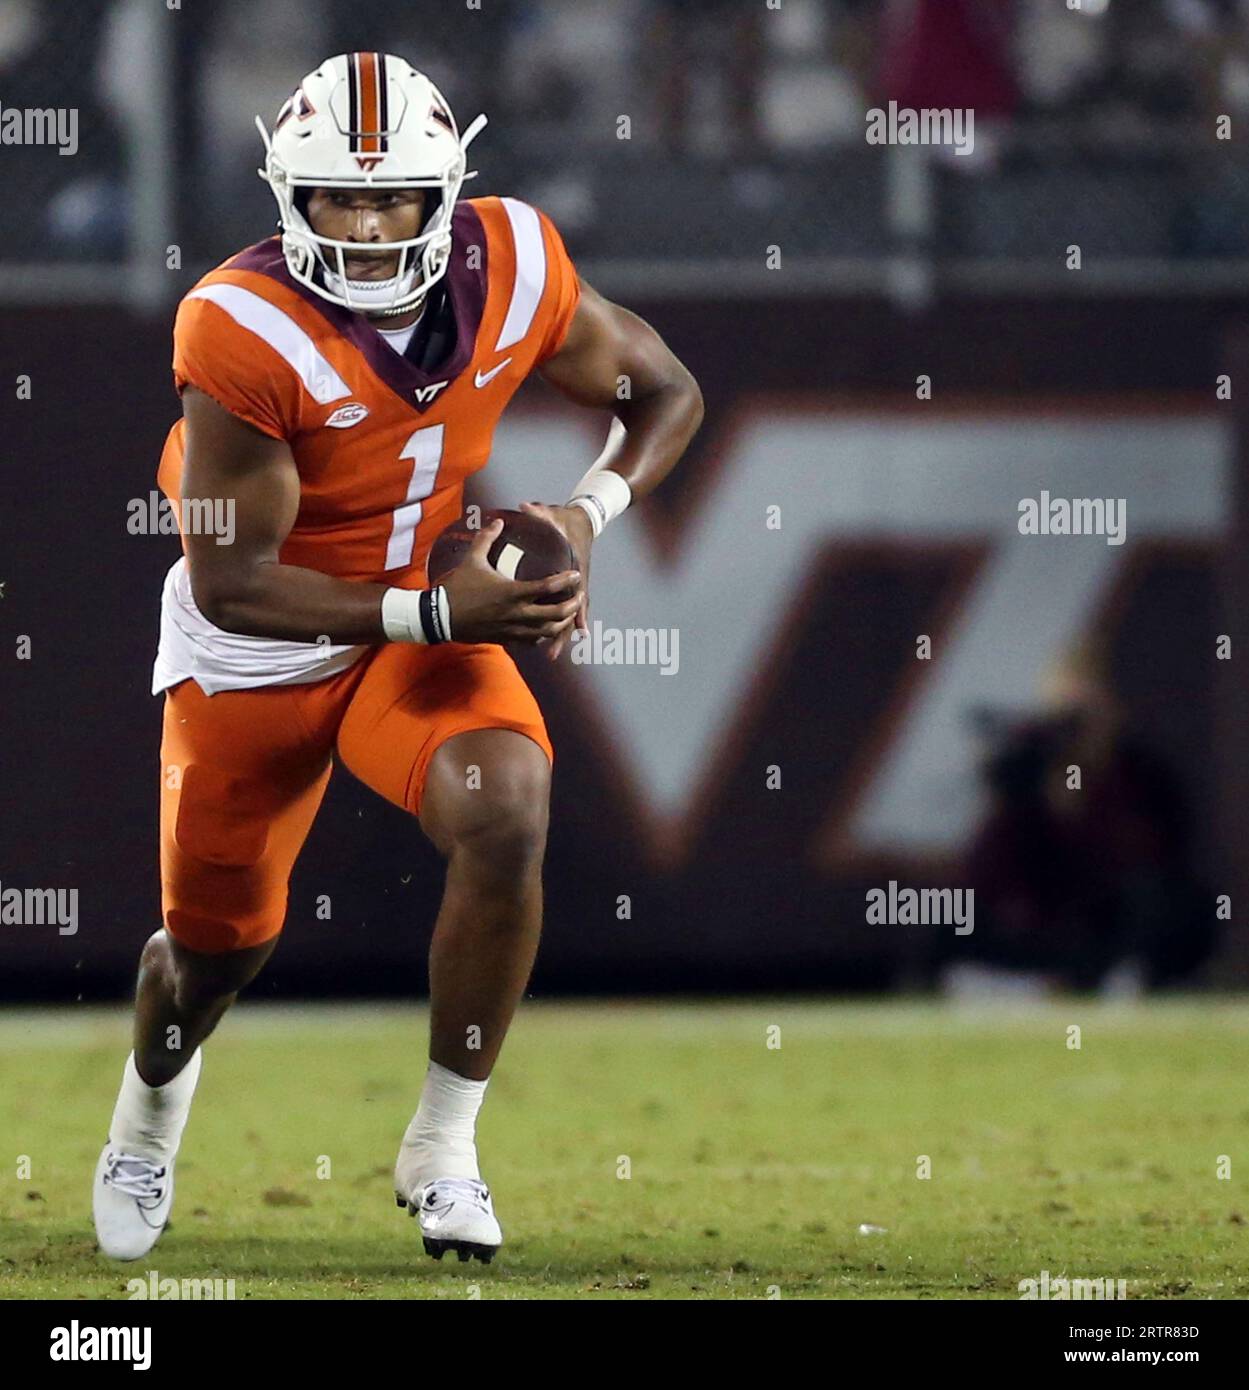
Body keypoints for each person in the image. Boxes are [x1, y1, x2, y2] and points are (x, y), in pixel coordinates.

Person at [92, 52, 703, 1266]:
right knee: (212, 959)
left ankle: (443, 1142)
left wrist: (581, 518)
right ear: (288, 196)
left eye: (393, 201)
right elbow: (234, 579)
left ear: (446, 193)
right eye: (335, 200)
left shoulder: (515, 261)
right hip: (257, 650)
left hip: (421, 622)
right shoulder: (238, 324)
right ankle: (151, 1109)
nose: (366, 228)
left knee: (507, 805)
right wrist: (437, 613)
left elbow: (664, 391)